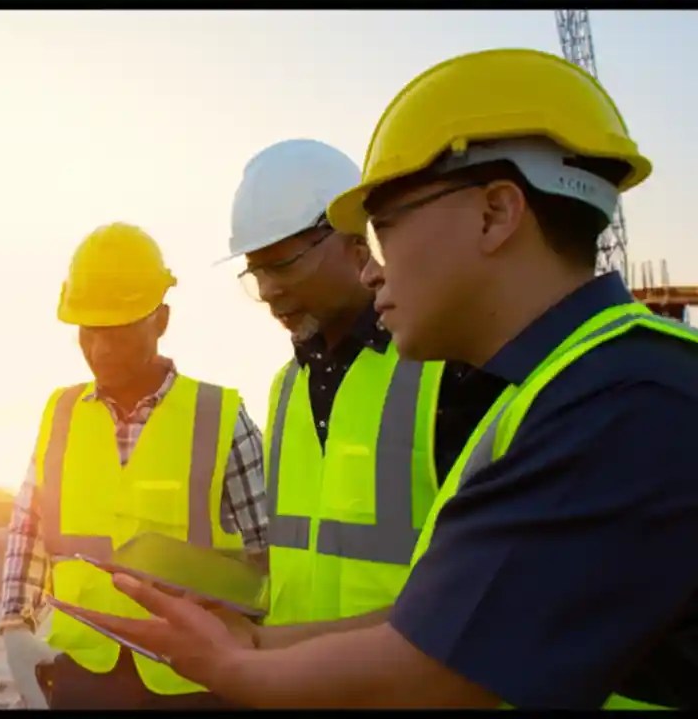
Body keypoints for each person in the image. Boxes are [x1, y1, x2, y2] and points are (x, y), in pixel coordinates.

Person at [58, 48, 698, 710]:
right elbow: (450, 619)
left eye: (384, 228)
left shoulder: (629, 403)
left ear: (495, 214)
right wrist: (258, 645)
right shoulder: (573, 392)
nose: (372, 269)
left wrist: (232, 666)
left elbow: (437, 664)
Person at [221, 139, 503, 633]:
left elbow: (491, 592)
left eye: (283, 264)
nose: (268, 291)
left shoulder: (448, 372)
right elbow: (301, 561)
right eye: (256, 271)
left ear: (356, 244)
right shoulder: (286, 388)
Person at [0, 222, 273, 710]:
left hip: (189, 680)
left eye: (118, 331)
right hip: (79, 668)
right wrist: (15, 624)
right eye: (88, 331)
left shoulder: (221, 418)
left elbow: (265, 556)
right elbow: (28, 527)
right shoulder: (60, 414)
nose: (100, 349)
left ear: (161, 319)